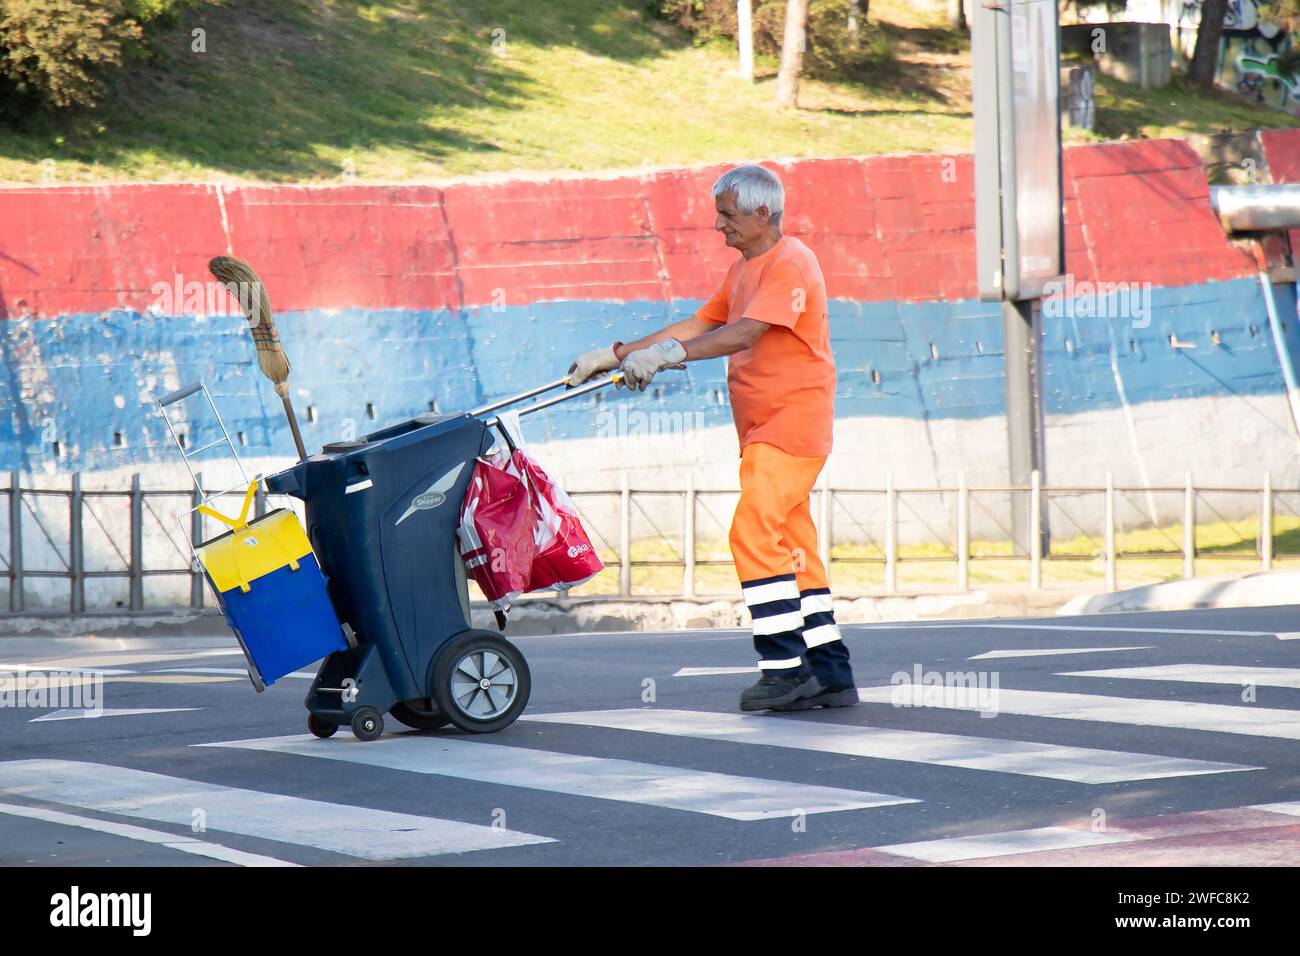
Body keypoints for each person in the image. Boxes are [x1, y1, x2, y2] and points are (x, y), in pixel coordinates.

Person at [566, 164, 855, 713]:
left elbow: (745, 332)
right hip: (764, 430)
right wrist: (616, 355)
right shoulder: (744, 270)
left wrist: (668, 356)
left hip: (790, 426)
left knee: (750, 532)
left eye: (726, 214)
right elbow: (698, 326)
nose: (717, 224)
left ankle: (784, 668)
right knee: (794, 548)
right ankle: (830, 671)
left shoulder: (791, 262)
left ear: (761, 213)